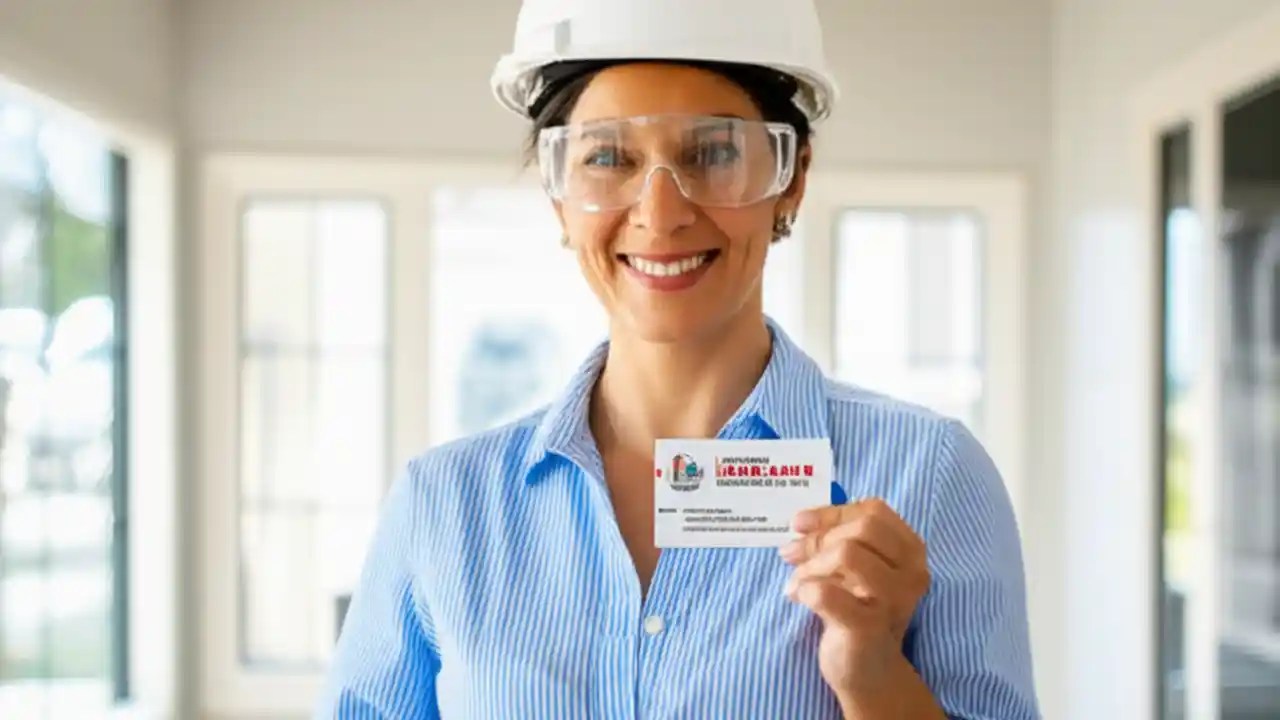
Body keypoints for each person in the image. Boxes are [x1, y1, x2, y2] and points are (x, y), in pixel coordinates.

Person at [316, 0, 1040, 717]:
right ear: (557, 192)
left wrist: (873, 674)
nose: (660, 215)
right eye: (607, 158)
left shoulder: (930, 476)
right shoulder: (442, 507)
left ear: (792, 178)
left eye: (714, 153)